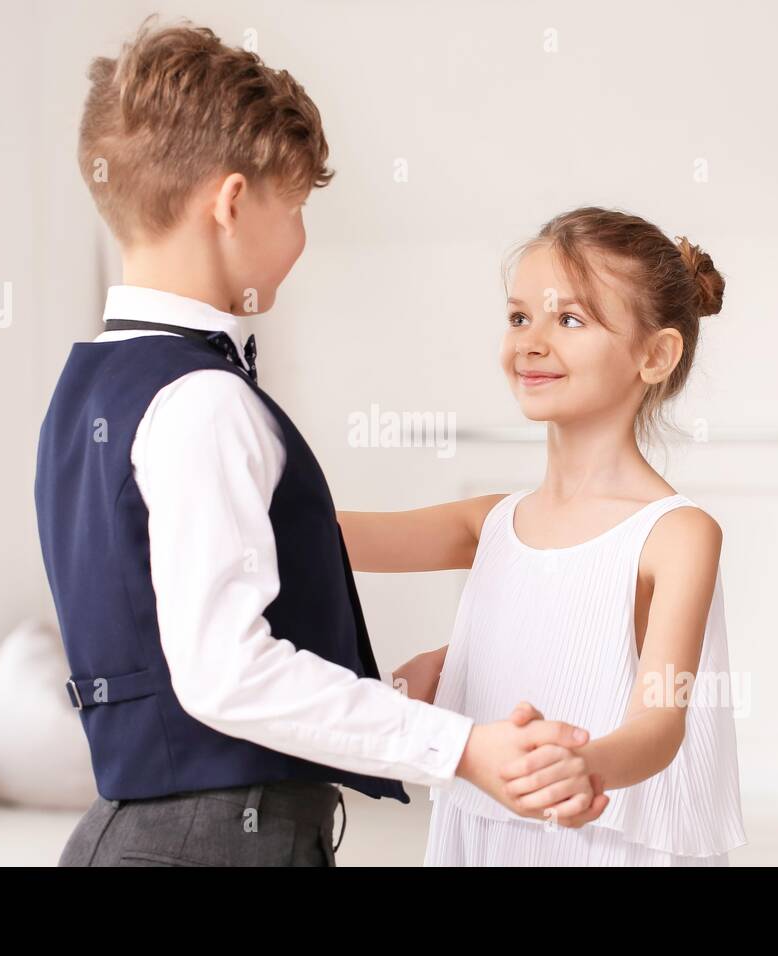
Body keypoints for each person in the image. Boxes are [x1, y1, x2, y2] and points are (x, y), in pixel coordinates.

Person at [34, 18, 606, 868]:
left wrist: (391, 693)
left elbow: (184, 634)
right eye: (295, 207)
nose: (300, 237)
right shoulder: (204, 401)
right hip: (210, 844)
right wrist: (462, 748)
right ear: (231, 203)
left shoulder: (90, 388)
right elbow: (227, 674)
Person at [341, 207, 749, 865]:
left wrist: (583, 765)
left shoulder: (678, 535)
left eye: (570, 319)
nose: (530, 341)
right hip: (482, 828)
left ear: (655, 354)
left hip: (601, 836)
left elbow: (661, 720)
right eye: (519, 316)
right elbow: (320, 535)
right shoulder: (488, 522)